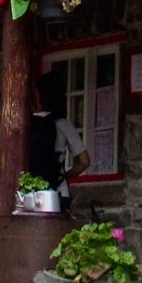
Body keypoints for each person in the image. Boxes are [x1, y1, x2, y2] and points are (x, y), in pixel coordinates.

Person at [27, 65, 91, 200]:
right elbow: (84, 162)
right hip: (57, 192)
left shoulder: (26, 124)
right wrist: (63, 176)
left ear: (37, 95)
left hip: (29, 191)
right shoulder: (63, 124)